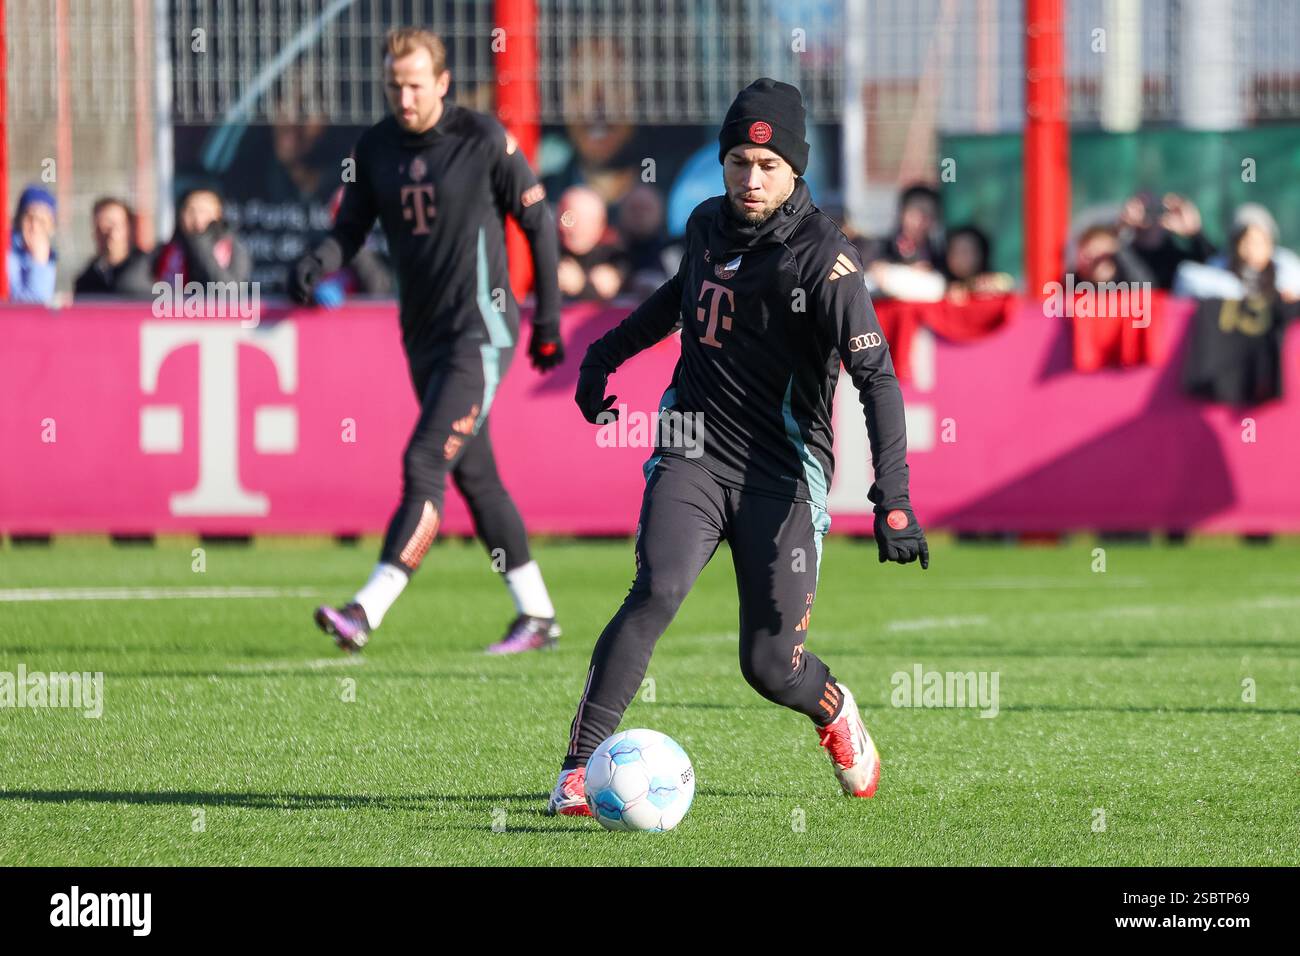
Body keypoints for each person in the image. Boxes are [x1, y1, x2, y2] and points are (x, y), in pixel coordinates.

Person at [547, 78, 928, 816]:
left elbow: (876, 378)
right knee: (655, 590)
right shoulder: (704, 225)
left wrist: (896, 499)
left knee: (769, 665)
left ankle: (835, 709)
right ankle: (575, 771)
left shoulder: (825, 260)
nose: (750, 181)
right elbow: (676, 298)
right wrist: (603, 355)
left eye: (767, 167)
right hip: (692, 444)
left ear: (795, 171)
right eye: (737, 164)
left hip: (782, 474)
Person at [289, 27, 566, 655]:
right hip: (422, 339)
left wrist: (547, 320)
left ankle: (367, 608)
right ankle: (538, 617)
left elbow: (538, 221)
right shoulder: (376, 148)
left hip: (483, 331)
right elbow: (350, 230)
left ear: (442, 83)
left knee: (423, 462)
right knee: (478, 478)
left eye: (415, 85)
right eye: (394, 85)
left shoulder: (482, 138)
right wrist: (315, 262)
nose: (404, 97)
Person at [154, 185, 252, 285]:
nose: (197, 218)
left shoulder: (234, 249)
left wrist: (200, 245)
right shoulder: (166, 251)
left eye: (203, 211)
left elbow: (227, 289)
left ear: (218, 214)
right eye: (191, 211)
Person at [556, 185, 628, 302]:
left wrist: (581, 285)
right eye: (561, 218)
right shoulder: (549, 250)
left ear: (599, 223)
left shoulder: (615, 256)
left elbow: (608, 287)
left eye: (571, 220)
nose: (564, 227)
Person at [74, 198, 155, 297]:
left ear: (129, 228)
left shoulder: (149, 269)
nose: (109, 234)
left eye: (114, 225)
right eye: (102, 227)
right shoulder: (86, 280)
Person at [6, 185, 58, 304]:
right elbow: (31, 306)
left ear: (51, 227)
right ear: (19, 220)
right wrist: (39, 262)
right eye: (29, 218)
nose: (34, 226)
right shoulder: (8, 254)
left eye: (42, 220)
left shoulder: (47, 256)